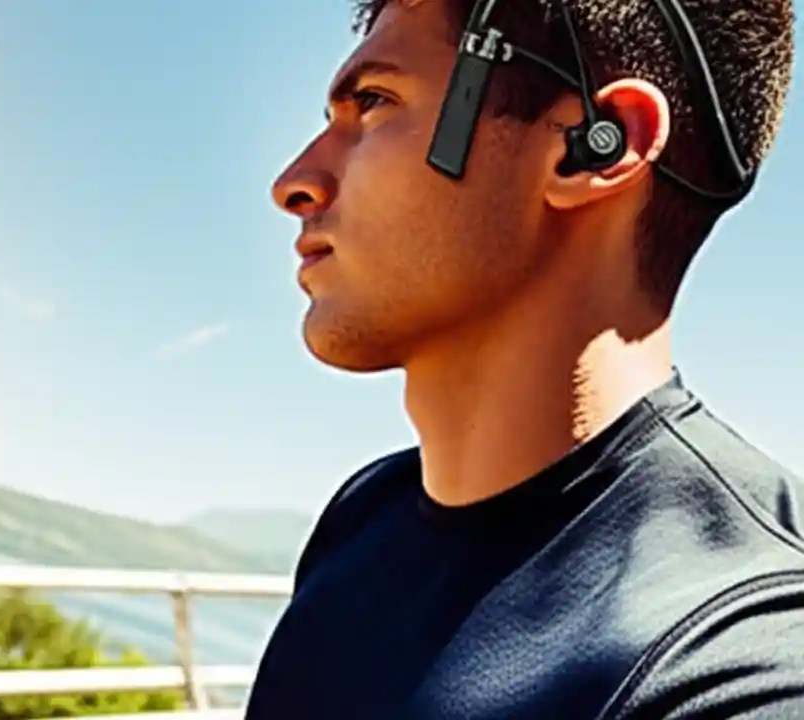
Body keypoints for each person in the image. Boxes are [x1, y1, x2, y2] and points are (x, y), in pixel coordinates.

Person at [243, 0, 802, 717]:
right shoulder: (363, 519)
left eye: (375, 102)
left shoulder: (744, 660)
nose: (294, 182)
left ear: (591, 146)